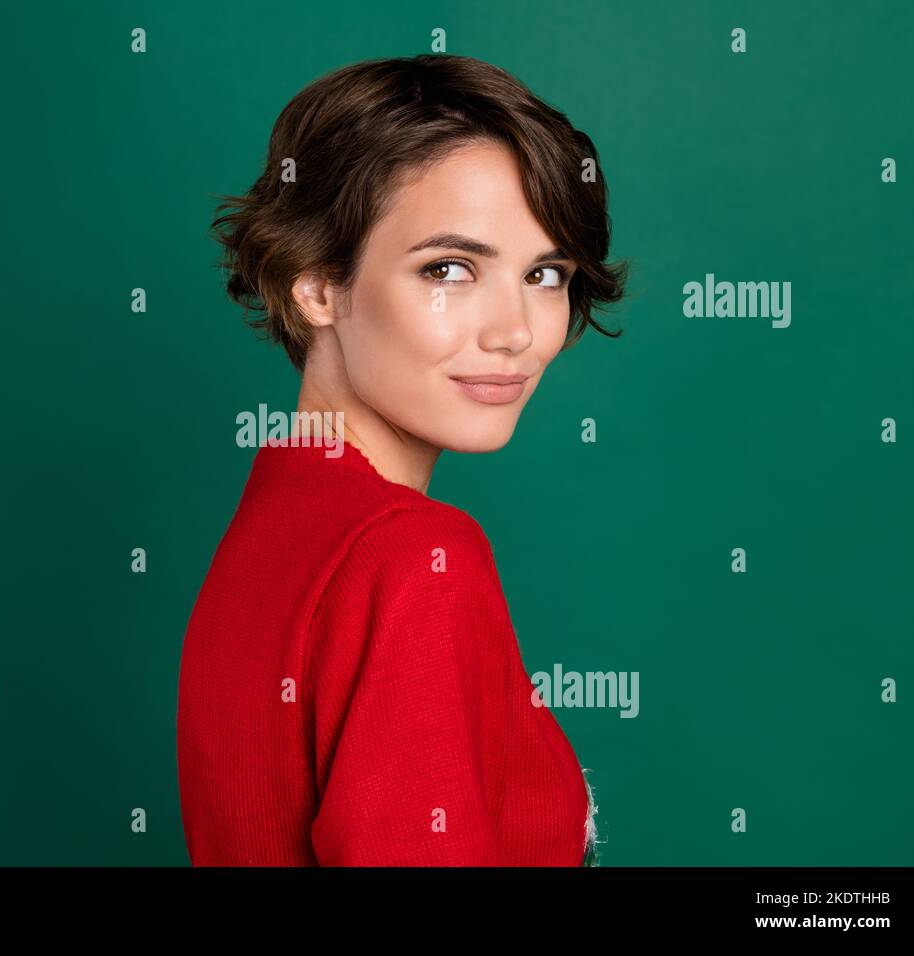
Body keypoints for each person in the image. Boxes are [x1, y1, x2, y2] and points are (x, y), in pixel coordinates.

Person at [177, 53, 627, 866]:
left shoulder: (275, 527)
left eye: (546, 274)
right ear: (314, 283)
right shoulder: (413, 555)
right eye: (449, 269)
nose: (515, 331)